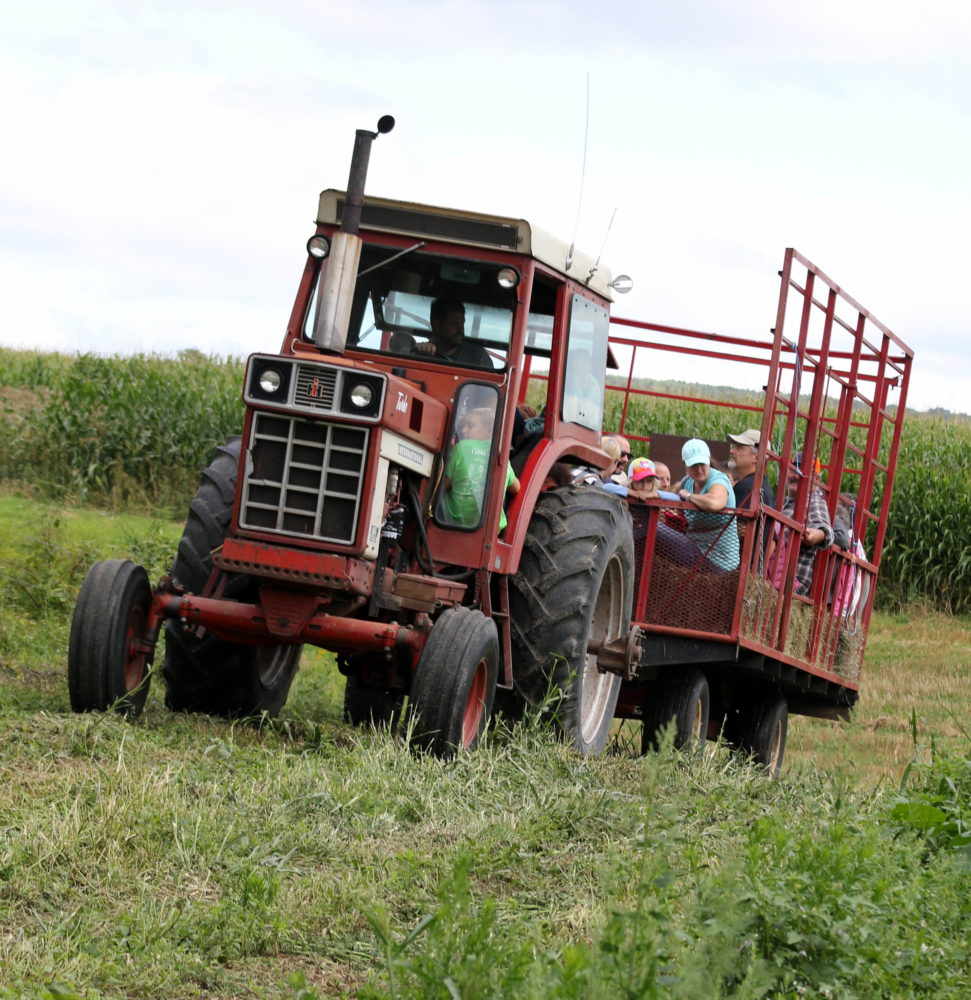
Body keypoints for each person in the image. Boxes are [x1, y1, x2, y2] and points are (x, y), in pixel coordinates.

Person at [767, 452, 834, 595]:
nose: (796, 475)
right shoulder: (785, 502)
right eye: (793, 469)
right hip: (775, 573)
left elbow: (826, 531)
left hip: (792, 579)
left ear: (816, 479)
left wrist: (815, 535)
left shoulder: (812, 501)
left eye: (803, 471)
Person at [444, 406, 519, 531]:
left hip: (454, 521)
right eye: (462, 426)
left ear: (489, 431)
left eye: (470, 426)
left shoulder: (461, 447)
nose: (463, 430)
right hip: (489, 528)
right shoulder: (500, 455)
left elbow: (446, 484)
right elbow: (516, 488)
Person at [676, 438, 740, 571]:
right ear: (685, 465)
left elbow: (714, 503)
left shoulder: (719, 479)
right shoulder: (687, 482)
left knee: (656, 531)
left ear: (708, 460)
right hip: (696, 548)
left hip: (718, 559)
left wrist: (689, 496)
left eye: (702, 464)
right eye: (694, 465)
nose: (699, 469)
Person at [412, 297, 492, 367]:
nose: (460, 330)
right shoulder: (422, 353)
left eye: (462, 323)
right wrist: (418, 354)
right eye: (454, 324)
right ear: (437, 325)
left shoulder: (477, 357)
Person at [727, 428, 775, 510]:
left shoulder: (748, 486)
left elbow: (740, 522)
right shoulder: (759, 485)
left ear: (756, 457)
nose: (732, 451)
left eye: (739, 448)